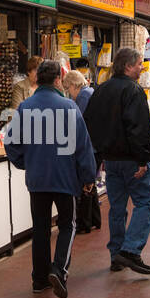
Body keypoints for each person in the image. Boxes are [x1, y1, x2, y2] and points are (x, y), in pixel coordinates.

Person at [4, 60, 97, 298]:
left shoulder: (25, 107)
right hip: (66, 179)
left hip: (37, 180)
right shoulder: (69, 107)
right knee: (68, 225)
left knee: (41, 229)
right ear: (58, 80)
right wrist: (88, 177)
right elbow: (83, 146)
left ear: (38, 80)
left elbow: (11, 143)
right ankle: (59, 270)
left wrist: (26, 163)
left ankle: (39, 280)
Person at [83, 47, 150, 275]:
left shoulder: (100, 90)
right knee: (145, 202)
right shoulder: (133, 91)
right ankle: (130, 250)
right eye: (139, 64)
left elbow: (89, 126)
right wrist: (143, 158)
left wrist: (100, 155)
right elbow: (140, 128)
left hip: (110, 161)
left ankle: (116, 255)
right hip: (132, 160)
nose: (142, 68)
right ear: (127, 66)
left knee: (117, 208)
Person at [61, 70, 101, 233]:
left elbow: (78, 121)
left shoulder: (83, 96)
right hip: (96, 145)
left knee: (84, 184)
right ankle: (95, 219)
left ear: (72, 85)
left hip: (90, 146)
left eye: (68, 89)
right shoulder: (90, 91)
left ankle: (84, 223)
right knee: (90, 183)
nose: (69, 93)